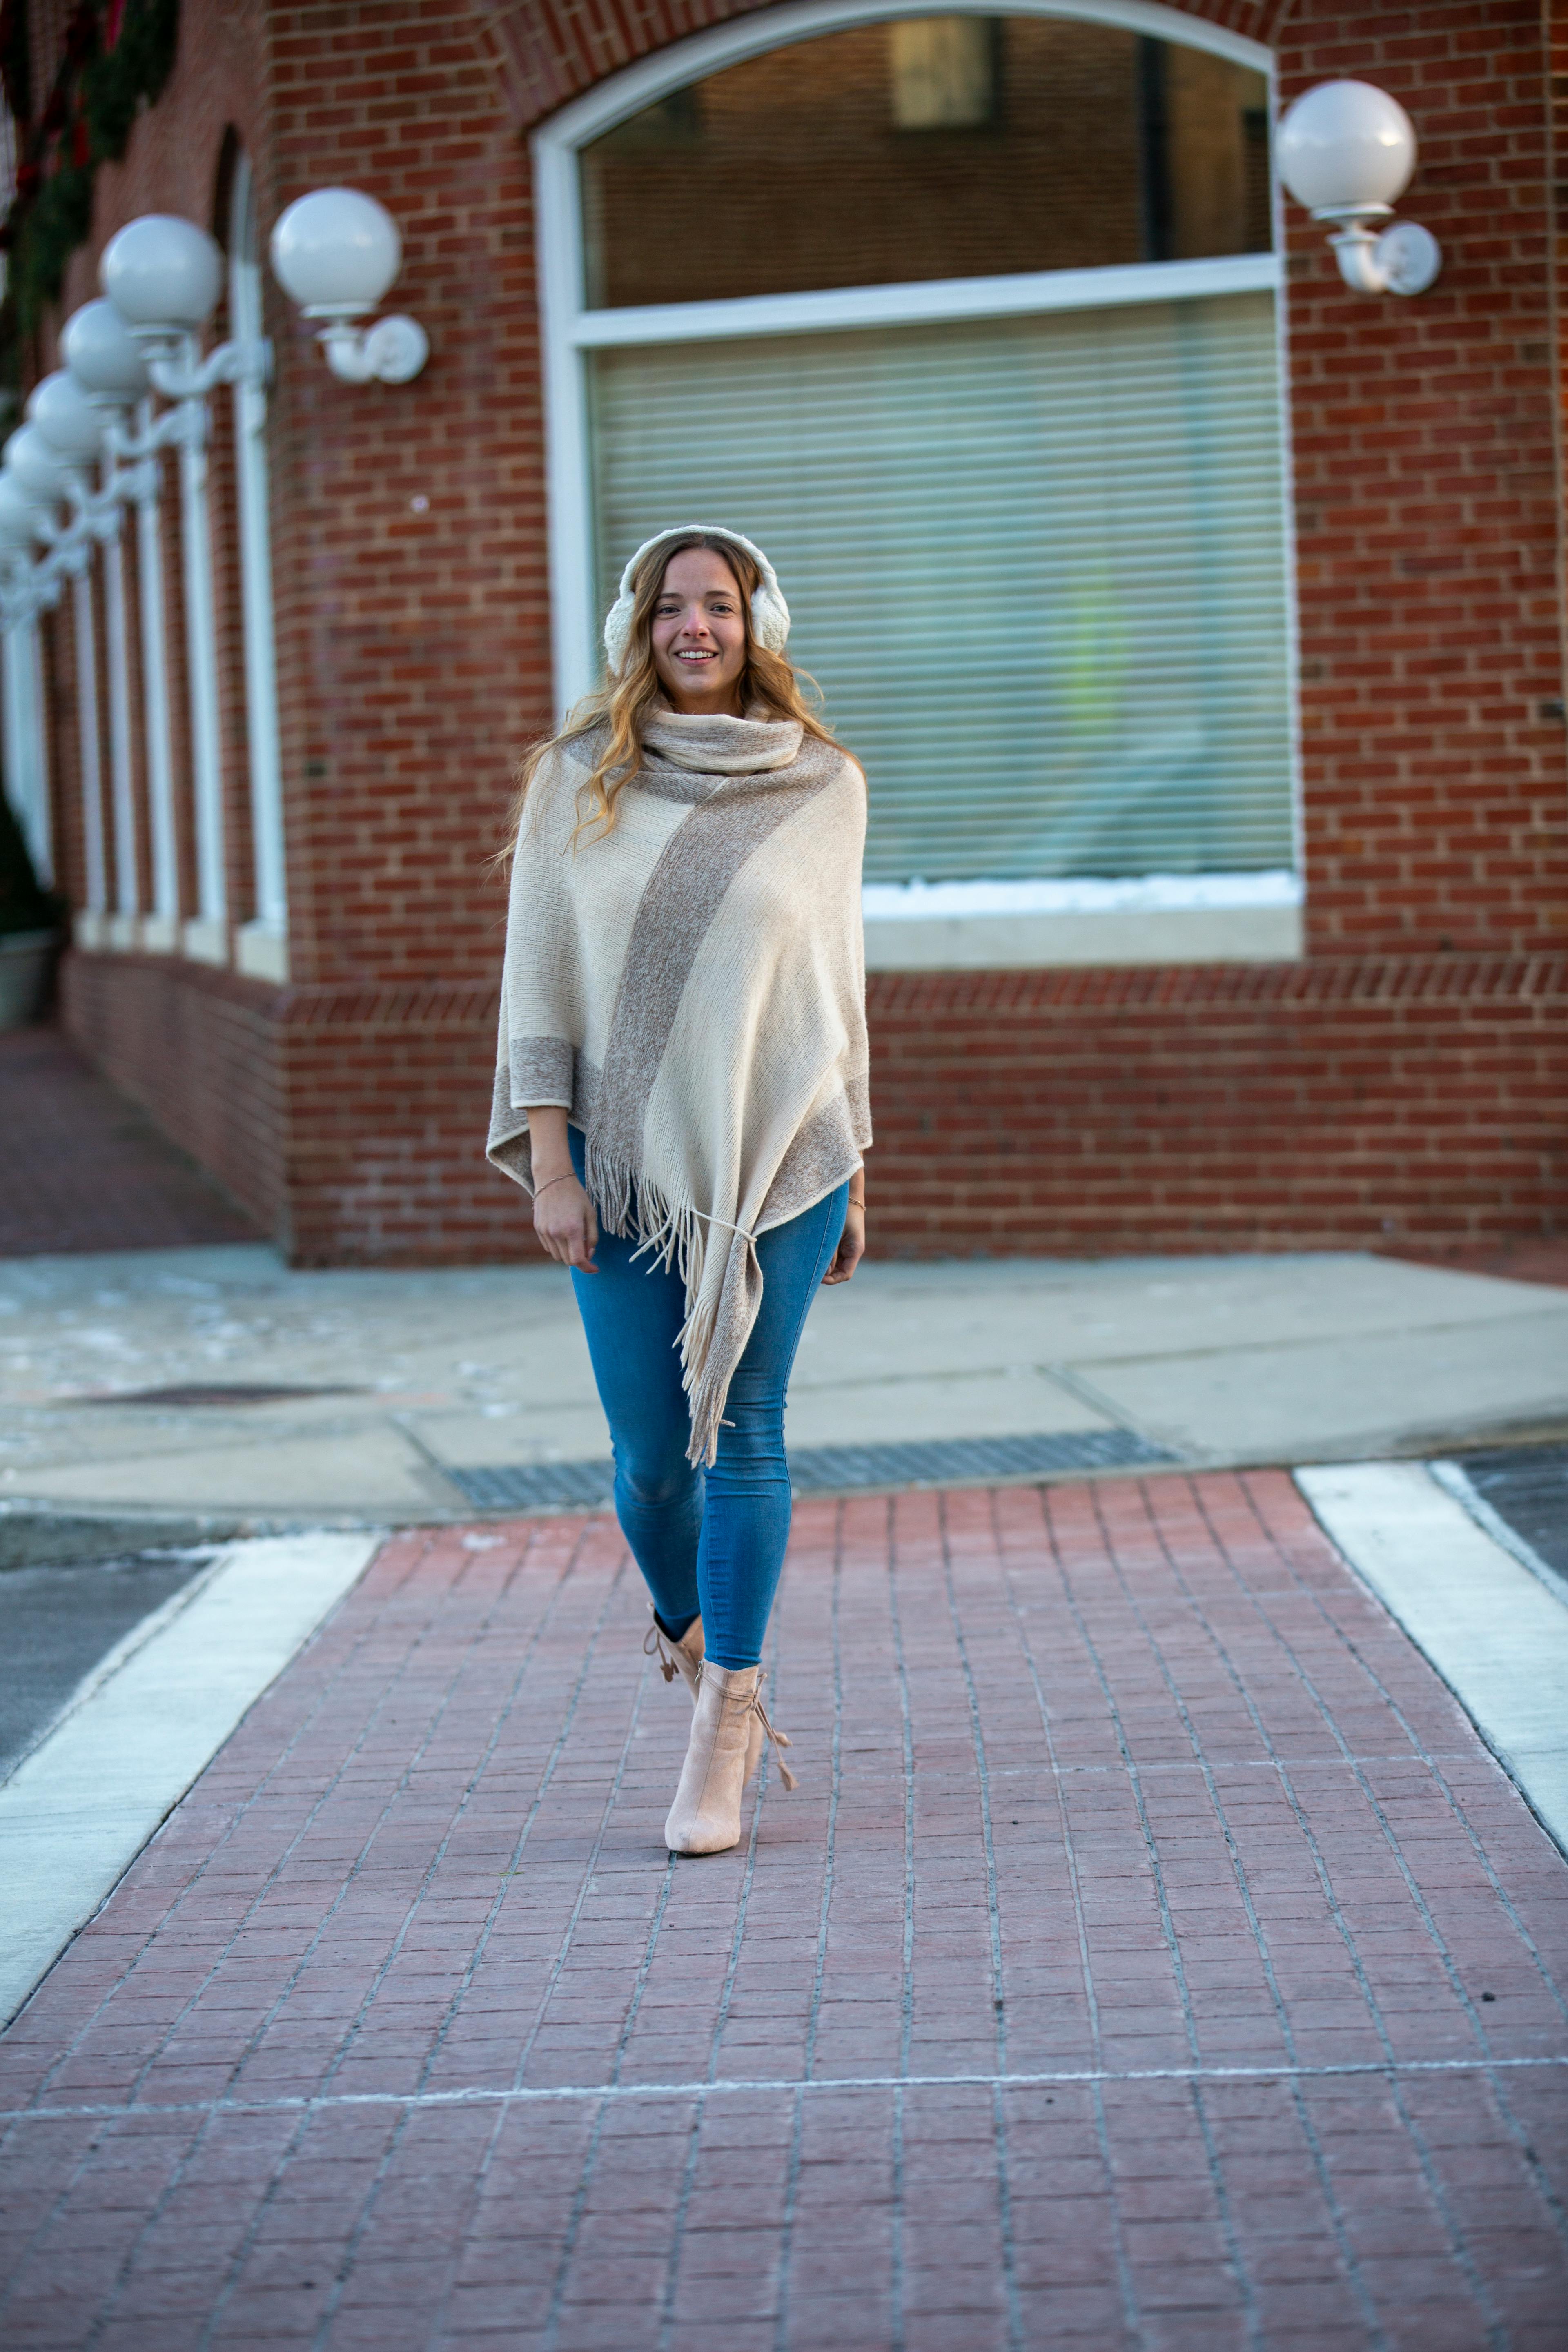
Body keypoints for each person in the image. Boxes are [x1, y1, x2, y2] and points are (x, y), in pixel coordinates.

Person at [488, 526, 870, 1857]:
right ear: (637, 630)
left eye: (718, 605)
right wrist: (551, 1163)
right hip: (620, 1169)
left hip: (781, 1163)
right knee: (653, 1461)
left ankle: (728, 1722)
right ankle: (693, 1638)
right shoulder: (577, 777)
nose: (694, 627)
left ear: (758, 626)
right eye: (669, 607)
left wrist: (853, 1161)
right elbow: (539, 979)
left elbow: (834, 989)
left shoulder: (823, 785)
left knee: (747, 1430)